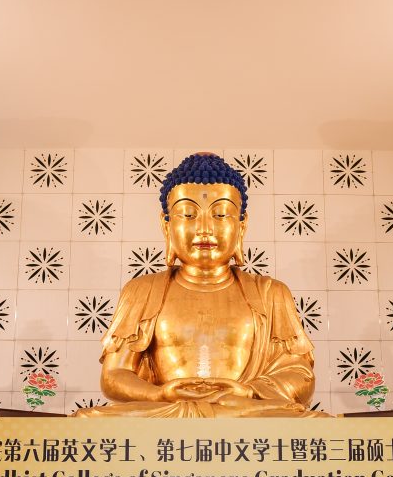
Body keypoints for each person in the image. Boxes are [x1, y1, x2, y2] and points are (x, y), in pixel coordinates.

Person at [76, 152, 324, 418]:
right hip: (168, 414)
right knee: (91, 418)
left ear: (242, 226)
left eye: (220, 214)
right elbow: (114, 376)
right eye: (188, 214)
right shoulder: (141, 290)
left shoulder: (271, 293)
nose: (205, 228)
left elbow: (301, 377)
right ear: (166, 225)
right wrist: (160, 394)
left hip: (241, 412)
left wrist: (248, 392)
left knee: (311, 419)